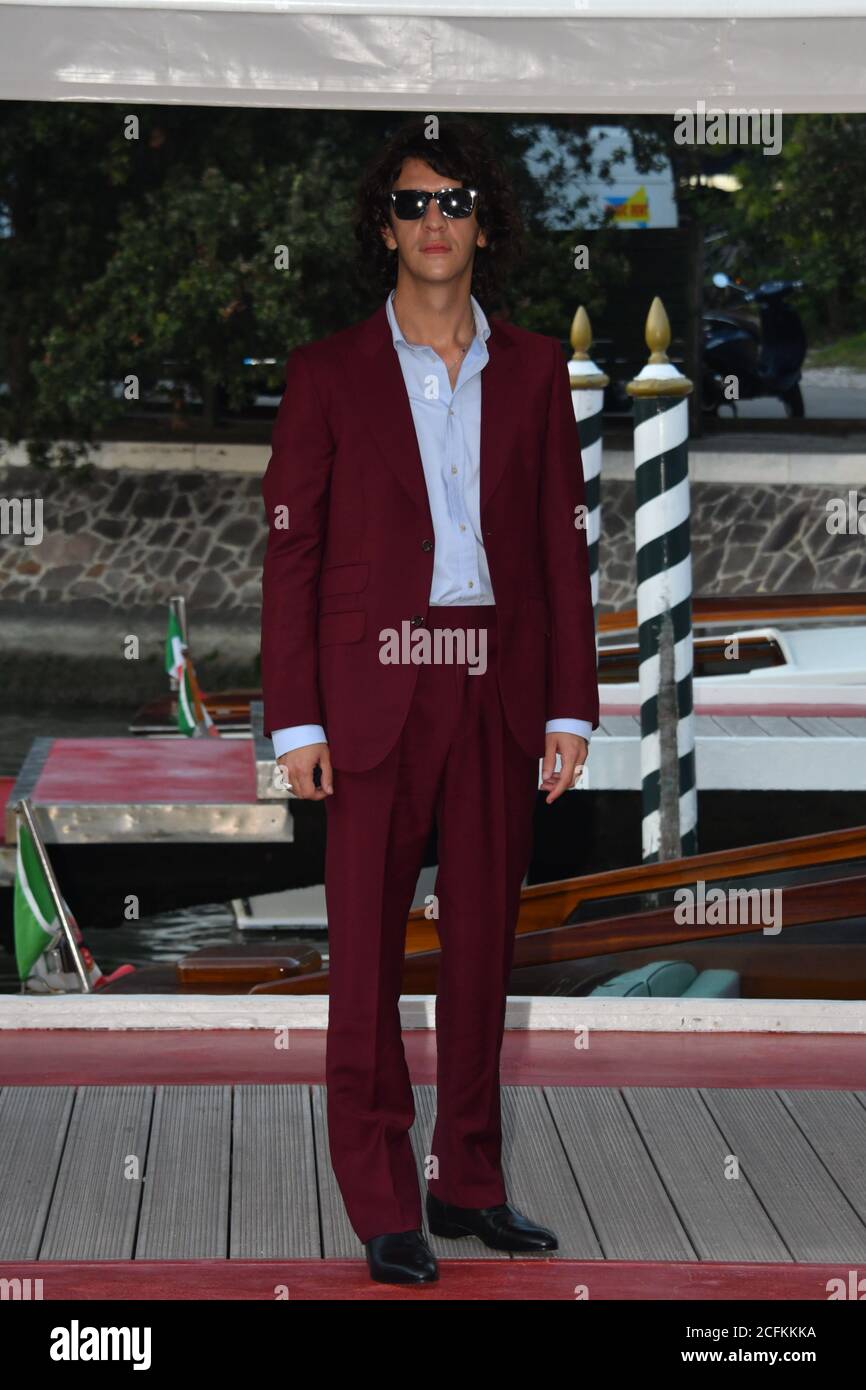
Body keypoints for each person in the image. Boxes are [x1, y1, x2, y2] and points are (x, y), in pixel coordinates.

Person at [259, 117, 599, 1285]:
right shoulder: (324, 374)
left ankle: (469, 1181)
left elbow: (561, 553)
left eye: (454, 200)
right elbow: (290, 558)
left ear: (483, 225)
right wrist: (293, 719)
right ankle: (383, 1201)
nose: (434, 220)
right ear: (383, 226)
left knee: (480, 959)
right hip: (369, 692)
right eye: (413, 203)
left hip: (496, 686)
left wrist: (571, 707)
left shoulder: (542, 369)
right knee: (363, 963)